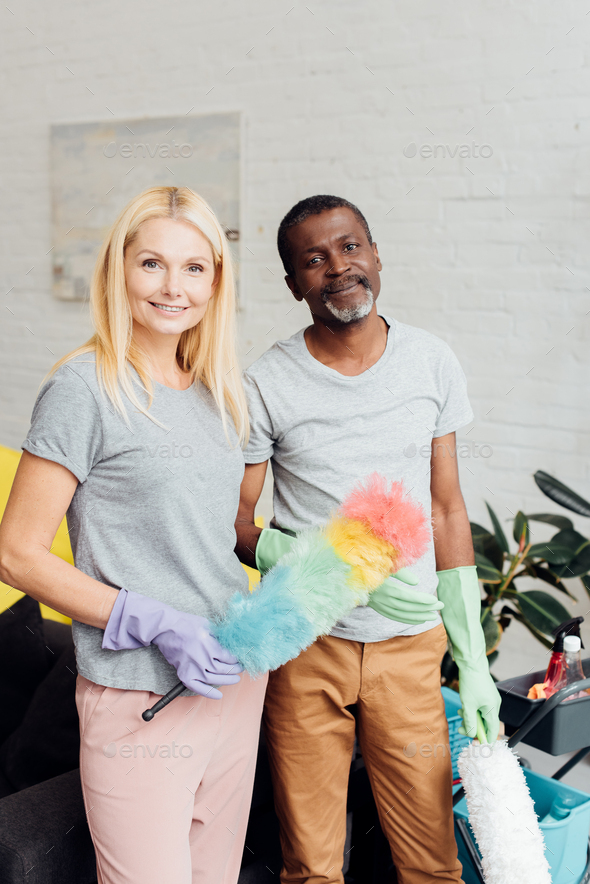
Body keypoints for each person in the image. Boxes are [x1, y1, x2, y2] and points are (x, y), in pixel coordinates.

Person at [0, 186, 266, 884]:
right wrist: (154, 620)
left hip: (235, 681)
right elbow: (15, 554)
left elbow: (212, 533)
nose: (174, 287)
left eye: (194, 267)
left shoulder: (220, 390)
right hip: (142, 695)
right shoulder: (84, 388)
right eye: (152, 263)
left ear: (217, 281)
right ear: (119, 270)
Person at [235, 195, 501, 884]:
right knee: (311, 868)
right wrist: (333, 569)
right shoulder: (264, 381)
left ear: (376, 255)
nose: (337, 267)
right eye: (313, 259)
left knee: (431, 865)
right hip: (305, 643)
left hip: (409, 649)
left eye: (350, 247)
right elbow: (233, 524)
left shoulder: (431, 362)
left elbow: (446, 508)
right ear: (293, 283)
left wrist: (472, 660)